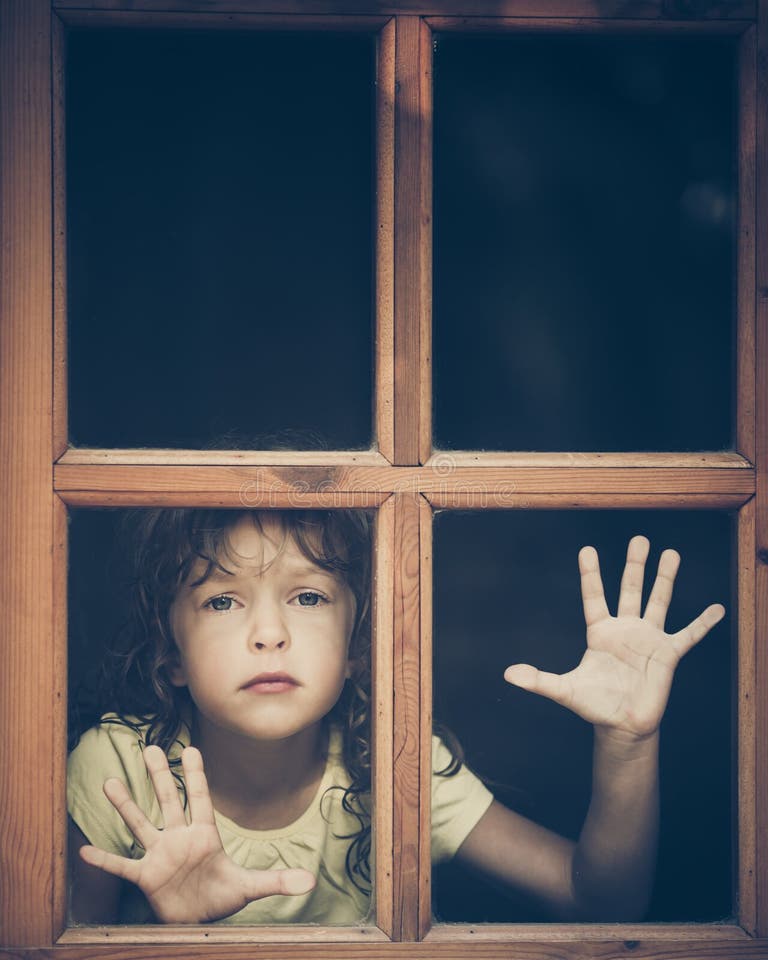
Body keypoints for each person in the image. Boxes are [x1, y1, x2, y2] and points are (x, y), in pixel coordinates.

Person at [67, 508, 725, 925]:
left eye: (306, 595)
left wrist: (628, 742)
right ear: (169, 653)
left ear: (358, 648)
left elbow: (600, 902)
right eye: (221, 602)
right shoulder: (119, 768)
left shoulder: (393, 761)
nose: (269, 633)